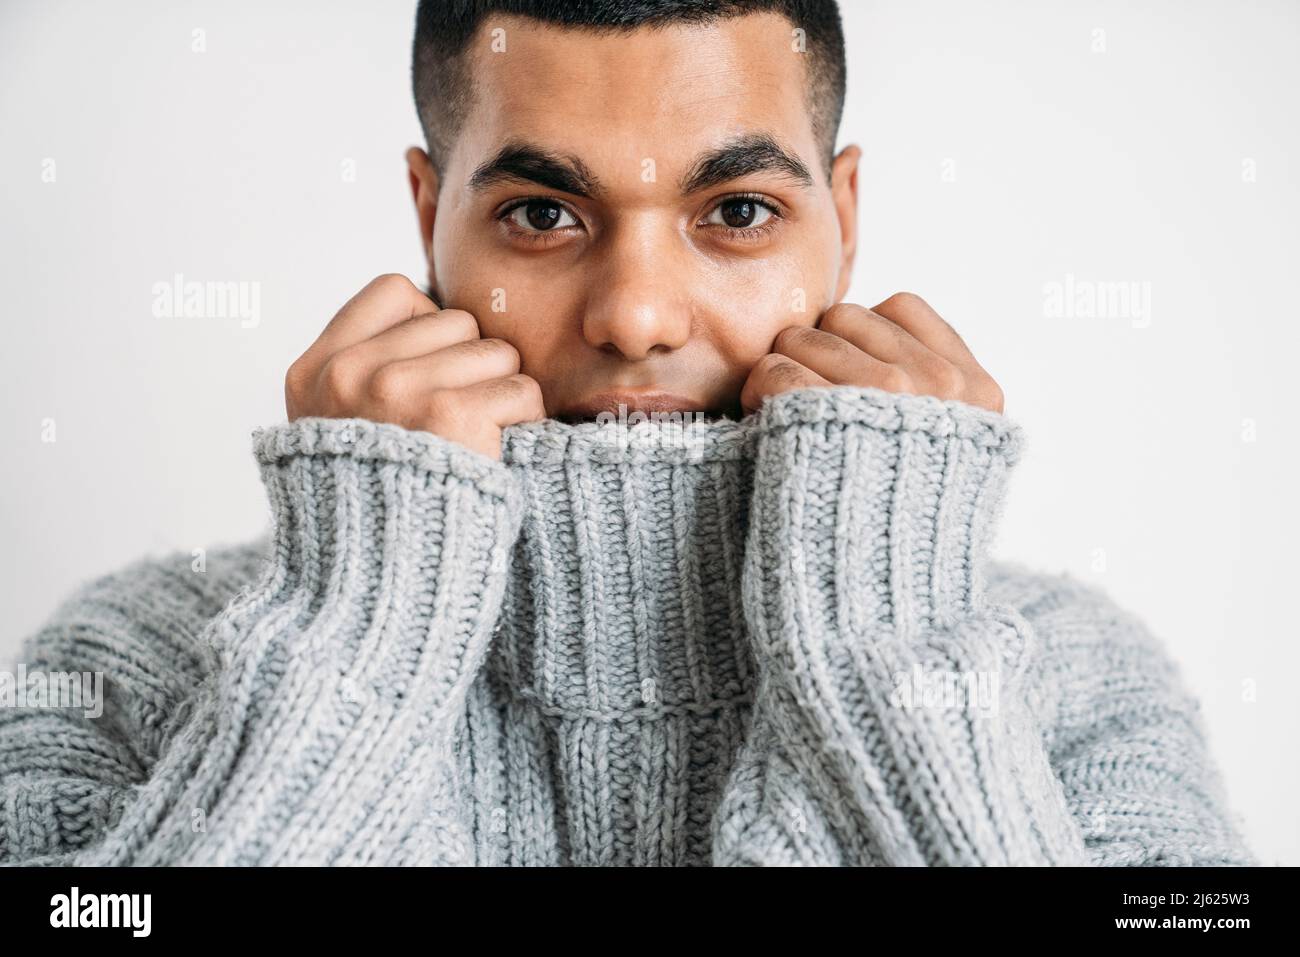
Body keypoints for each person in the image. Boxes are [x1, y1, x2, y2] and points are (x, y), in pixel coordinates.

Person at [0, 0, 1256, 866]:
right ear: (429, 217)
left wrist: (887, 645)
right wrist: (358, 625)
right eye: (543, 214)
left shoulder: (1076, 683)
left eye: (740, 209)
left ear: (846, 217)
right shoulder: (137, 661)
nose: (638, 315)